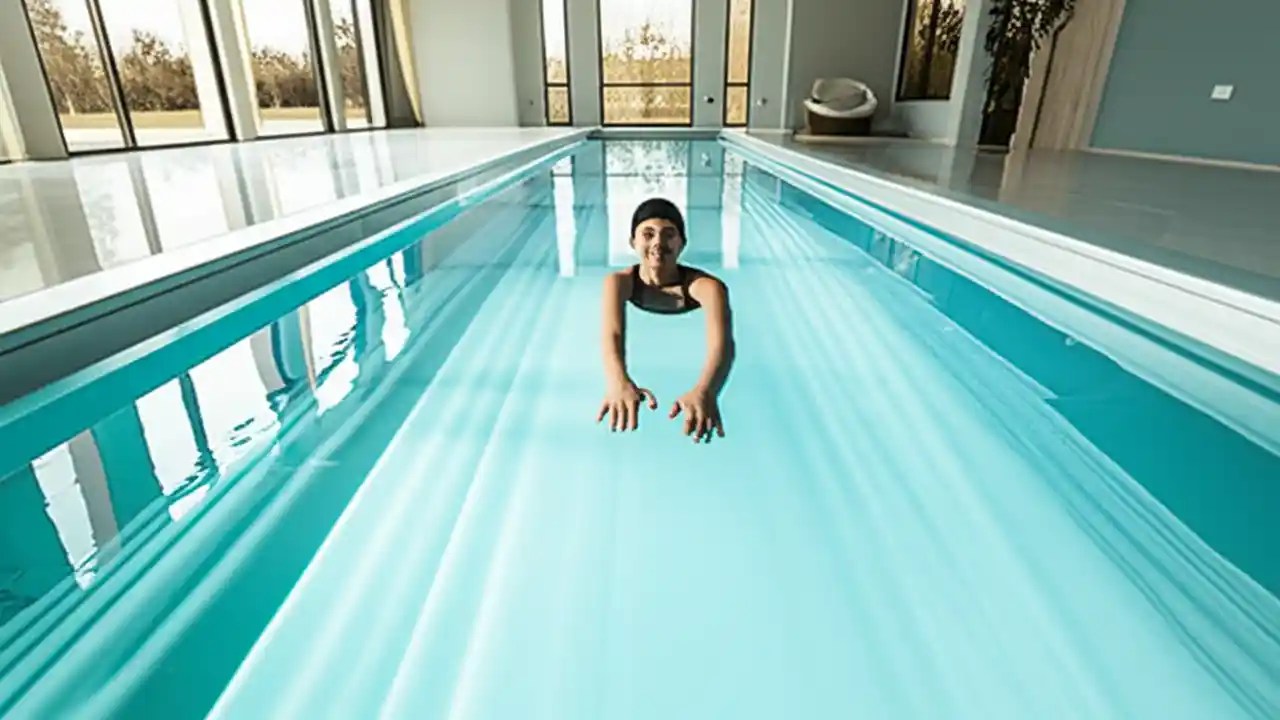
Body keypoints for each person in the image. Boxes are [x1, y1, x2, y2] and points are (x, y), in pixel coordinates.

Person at [596, 198, 735, 443]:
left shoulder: (708, 288)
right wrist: (619, 381)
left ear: (682, 243)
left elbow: (722, 346)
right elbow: (612, 335)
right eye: (648, 234)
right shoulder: (618, 283)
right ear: (632, 242)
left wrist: (705, 390)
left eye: (668, 235)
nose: (658, 243)